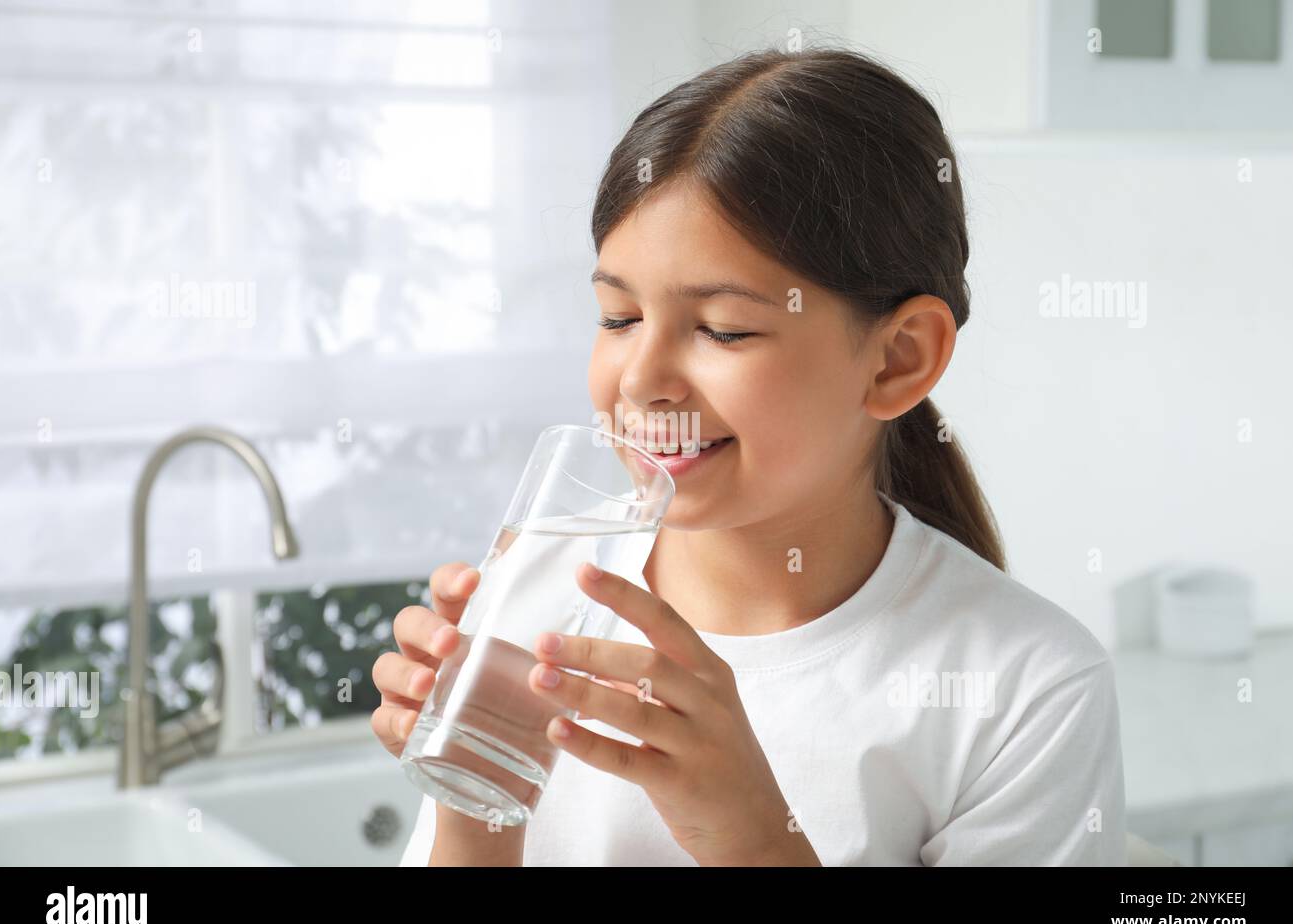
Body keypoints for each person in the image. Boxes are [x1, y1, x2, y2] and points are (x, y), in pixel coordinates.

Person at [372, 46, 1126, 866]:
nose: (642, 379)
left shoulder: (1027, 690)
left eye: (723, 329)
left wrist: (758, 840)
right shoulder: (540, 587)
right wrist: (477, 794)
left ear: (898, 357)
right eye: (618, 317)